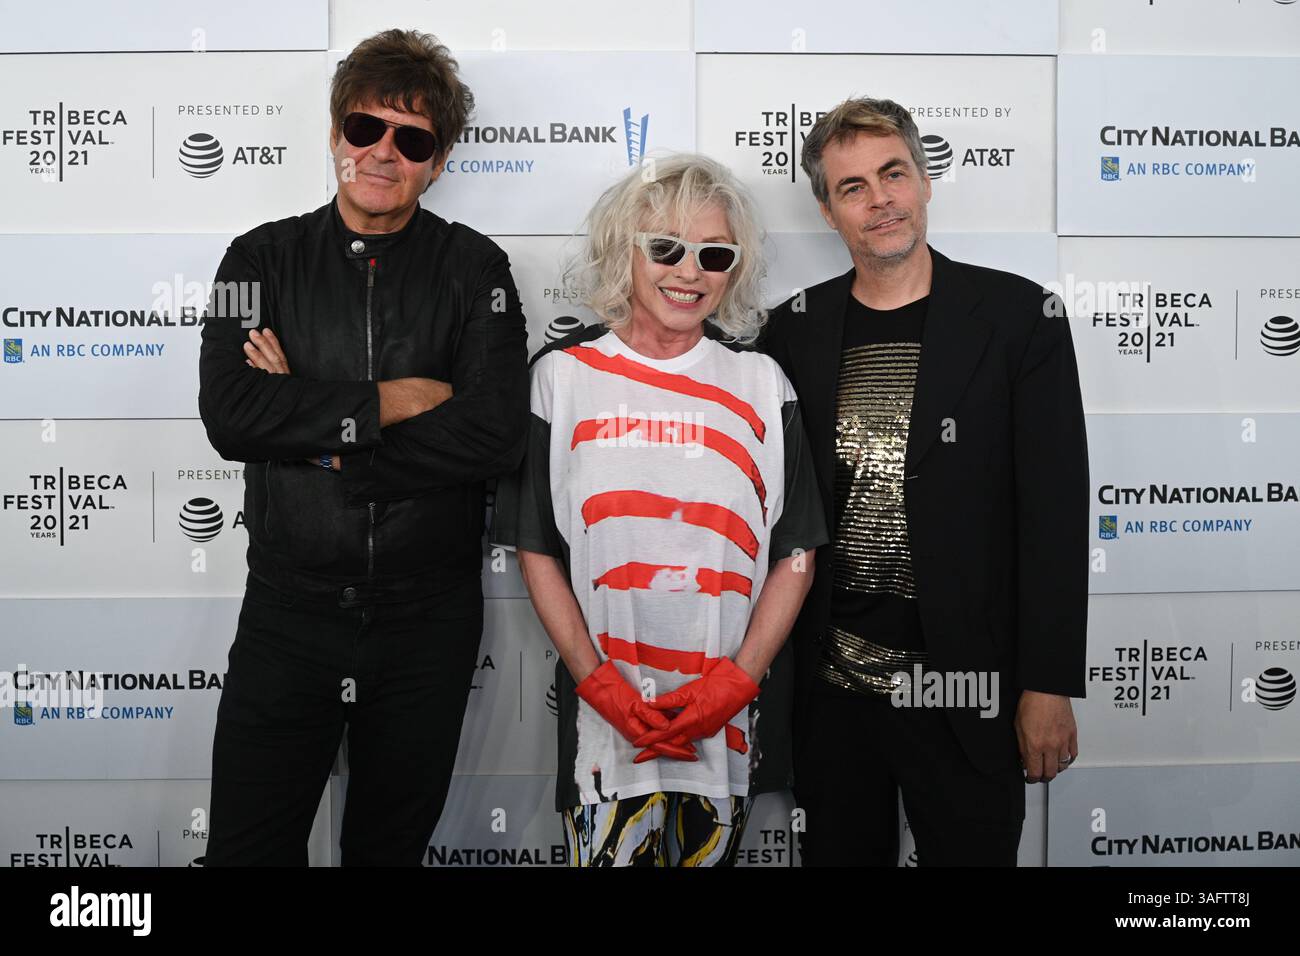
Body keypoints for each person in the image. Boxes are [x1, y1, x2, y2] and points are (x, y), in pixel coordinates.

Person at [197, 29, 529, 866]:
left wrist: (321, 440)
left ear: (438, 160)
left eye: (411, 139)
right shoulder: (257, 258)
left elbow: (492, 432)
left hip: (428, 621)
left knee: (389, 852)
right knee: (247, 851)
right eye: (364, 129)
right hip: (287, 615)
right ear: (336, 134)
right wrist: (403, 398)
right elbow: (233, 416)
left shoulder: (477, 268)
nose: (383, 152)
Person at [760, 96, 1088, 866]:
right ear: (826, 210)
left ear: (924, 179)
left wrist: (1047, 685)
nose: (880, 200)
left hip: (968, 689)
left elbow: (1055, 512)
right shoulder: (792, 328)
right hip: (832, 690)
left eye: (893, 173)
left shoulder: (1018, 316)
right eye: (852, 187)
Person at [491, 154, 827, 867]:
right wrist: (598, 683)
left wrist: (736, 683)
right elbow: (536, 548)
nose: (689, 271)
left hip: (726, 733)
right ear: (625, 252)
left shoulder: (763, 383)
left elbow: (795, 552)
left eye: (714, 254)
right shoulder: (560, 380)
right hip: (604, 732)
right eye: (666, 248)